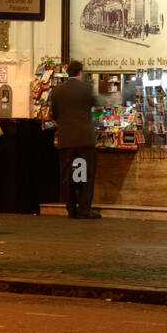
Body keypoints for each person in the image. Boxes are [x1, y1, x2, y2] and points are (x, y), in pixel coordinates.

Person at [51, 60, 100, 219]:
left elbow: (54, 115)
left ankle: (71, 209)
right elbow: (97, 105)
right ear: (80, 72)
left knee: (67, 176)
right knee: (86, 174)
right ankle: (84, 210)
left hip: (66, 140)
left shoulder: (57, 91)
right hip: (84, 139)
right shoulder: (87, 88)